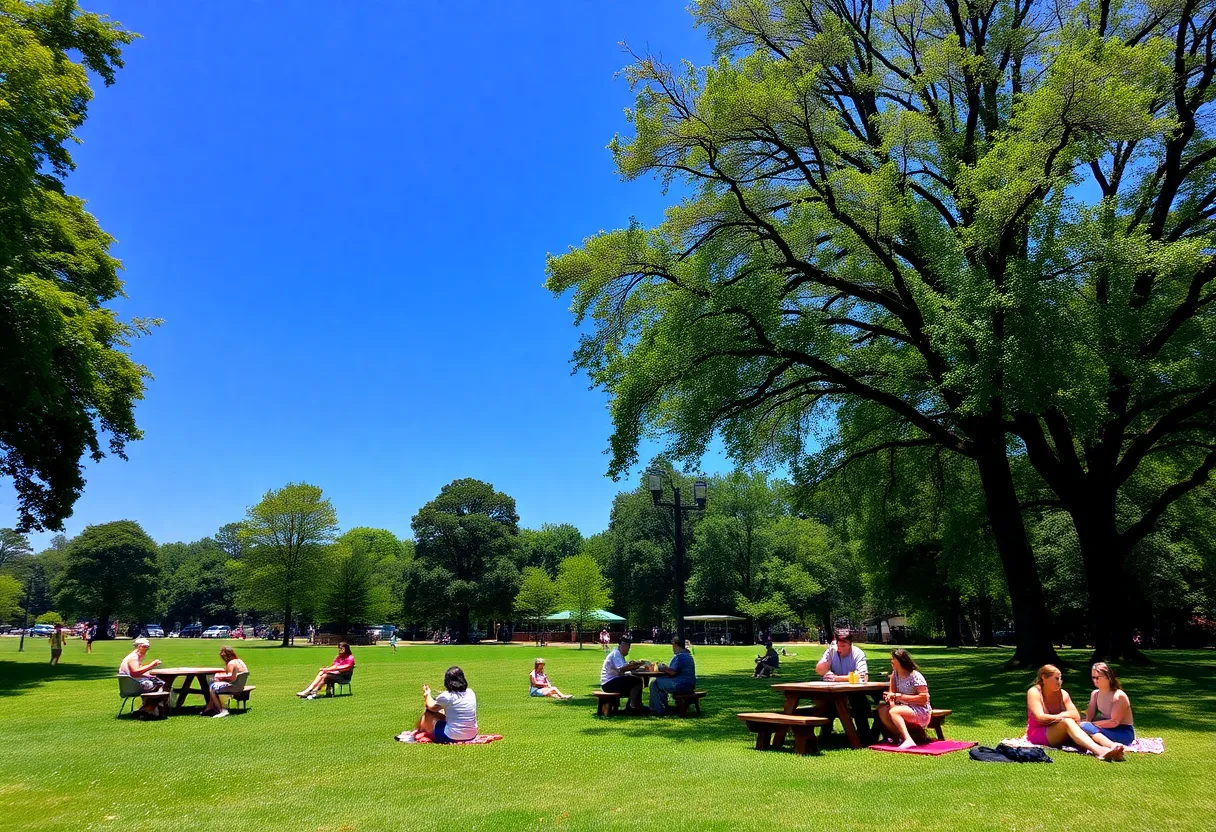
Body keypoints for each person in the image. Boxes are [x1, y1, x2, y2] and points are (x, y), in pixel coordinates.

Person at [1026, 665, 1124, 761]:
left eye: (1060, 678)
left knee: (1084, 725)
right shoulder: (1034, 692)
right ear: (1044, 678)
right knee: (1068, 722)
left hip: (1058, 730)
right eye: (1056, 678)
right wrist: (1063, 717)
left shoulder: (1063, 694)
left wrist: (1060, 717)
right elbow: (1040, 717)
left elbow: (1076, 715)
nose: (1060, 682)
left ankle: (1111, 745)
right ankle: (1099, 750)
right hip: (1038, 733)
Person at [815, 629, 873, 739]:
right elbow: (819, 670)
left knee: (858, 701)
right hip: (832, 692)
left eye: (843, 646)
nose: (839, 649)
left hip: (854, 692)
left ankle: (864, 735)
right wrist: (824, 665)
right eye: (838, 645)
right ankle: (826, 736)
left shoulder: (857, 653)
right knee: (826, 702)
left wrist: (837, 678)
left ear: (850, 644)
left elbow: (863, 677)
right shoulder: (831, 651)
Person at [877, 649, 932, 748]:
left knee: (894, 712)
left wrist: (900, 697)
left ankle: (908, 739)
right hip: (902, 707)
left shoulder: (915, 676)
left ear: (901, 661)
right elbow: (892, 694)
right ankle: (899, 736)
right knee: (882, 708)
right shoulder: (895, 674)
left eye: (893, 659)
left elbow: (924, 698)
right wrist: (891, 701)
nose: (891, 661)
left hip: (921, 710)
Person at [413, 666, 478, 742]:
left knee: (429, 712)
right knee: (444, 712)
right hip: (472, 735)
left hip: (452, 736)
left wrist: (427, 694)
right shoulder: (470, 692)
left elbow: (431, 707)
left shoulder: (447, 695)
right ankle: (419, 729)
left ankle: (420, 731)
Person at [1082, 662, 1136, 748]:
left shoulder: (1118, 696)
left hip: (1123, 732)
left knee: (1085, 727)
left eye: (1098, 677)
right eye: (1093, 677)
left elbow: (1114, 722)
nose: (1095, 680)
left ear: (1108, 677)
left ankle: (1109, 746)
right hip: (1107, 728)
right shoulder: (1095, 694)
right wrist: (1087, 723)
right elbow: (1090, 717)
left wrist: (1089, 725)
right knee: (1082, 727)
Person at [118, 638, 165, 718]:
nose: (146, 649)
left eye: (148, 647)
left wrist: (148, 674)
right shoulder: (133, 658)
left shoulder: (134, 657)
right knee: (162, 685)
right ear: (138, 647)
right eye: (144, 646)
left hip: (132, 684)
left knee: (159, 683)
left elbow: (136, 672)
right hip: (134, 686)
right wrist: (152, 665)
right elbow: (135, 672)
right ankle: (145, 709)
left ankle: (149, 709)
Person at [650, 636, 696, 715]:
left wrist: (663, 668)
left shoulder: (680, 656)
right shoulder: (688, 655)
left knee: (655, 683)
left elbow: (672, 672)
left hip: (681, 684)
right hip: (690, 684)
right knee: (658, 682)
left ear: (675, 645)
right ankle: (661, 707)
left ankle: (659, 710)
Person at [601, 635, 647, 713]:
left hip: (611, 681)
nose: (629, 649)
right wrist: (635, 665)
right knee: (637, 681)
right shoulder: (616, 654)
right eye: (628, 647)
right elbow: (621, 669)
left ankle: (636, 705)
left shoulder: (619, 655)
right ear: (623, 645)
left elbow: (625, 669)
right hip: (609, 683)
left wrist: (636, 666)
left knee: (638, 680)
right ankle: (633, 706)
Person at [203, 646, 248, 718]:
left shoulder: (231, 663)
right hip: (240, 686)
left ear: (226, 656)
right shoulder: (239, 661)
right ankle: (210, 707)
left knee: (212, 687)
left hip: (234, 687)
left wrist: (219, 677)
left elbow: (231, 677)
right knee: (215, 684)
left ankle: (221, 710)